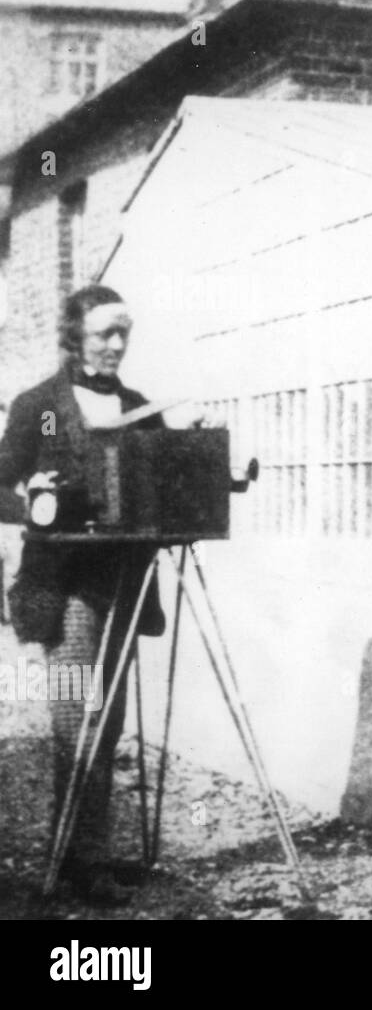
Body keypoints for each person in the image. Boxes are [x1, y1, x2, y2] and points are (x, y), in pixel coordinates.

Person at [0, 285, 166, 906]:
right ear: (75, 335)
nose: (117, 345)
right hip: (65, 585)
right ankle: (76, 861)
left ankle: (84, 853)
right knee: (77, 719)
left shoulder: (142, 408)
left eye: (124, 332)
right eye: (104, 334)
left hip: (123, 582)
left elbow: (162, 485)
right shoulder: (38, 405)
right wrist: (33, 499)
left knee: (110, 720)